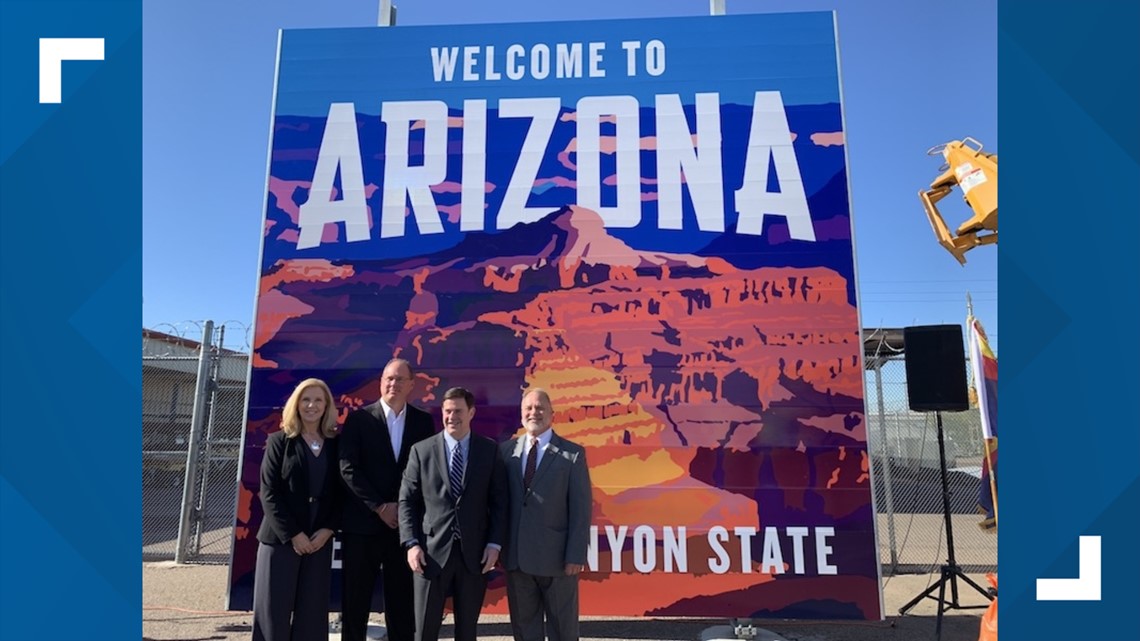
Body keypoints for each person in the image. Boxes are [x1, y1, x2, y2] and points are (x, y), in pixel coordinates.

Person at [399, 387, 508, 641]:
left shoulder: (489, 450)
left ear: (471, 413)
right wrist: (411, 544)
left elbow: (500, 502)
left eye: (458, 411)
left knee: (467, 631)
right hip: (429, 554)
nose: (452, 417)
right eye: (447, 411)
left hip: (474, 555)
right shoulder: (421, 451)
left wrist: (494, 544)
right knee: (424, 631)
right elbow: (407, 501)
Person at [339, 358, 436, 641]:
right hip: (363, 526)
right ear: (381, 382)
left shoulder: (423, 422)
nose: (393, 384)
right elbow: (347, 468)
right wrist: (379, 507)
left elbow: (424, 472)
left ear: (411, 384)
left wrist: (400, 508)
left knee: (402, 604)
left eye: (399, 379)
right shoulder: (359, 419)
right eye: (388, 378)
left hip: (403, 529)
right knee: (355, 602)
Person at [499, 388, 593, 641]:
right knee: (524, 631)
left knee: (563, 631)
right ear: (521, 414)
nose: (534, 413)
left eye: (540, 408)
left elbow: (581, 510)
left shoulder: (572, 454)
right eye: (528, 408)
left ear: (553, 414)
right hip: (517, 560)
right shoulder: (505, 452)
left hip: (558, 562)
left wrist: (576, 555)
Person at [252, 378, 342, 641]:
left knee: (312, 615)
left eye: (318, 400)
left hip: (318, 542)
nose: (312, 405)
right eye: (306, 399)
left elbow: (342, 493)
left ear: (327, 406)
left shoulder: (336, 444)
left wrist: (327, 530)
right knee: (273, 614)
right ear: (296, 404)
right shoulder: (280, 441)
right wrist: (294, 534)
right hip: (281, 541)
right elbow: (269, 493)